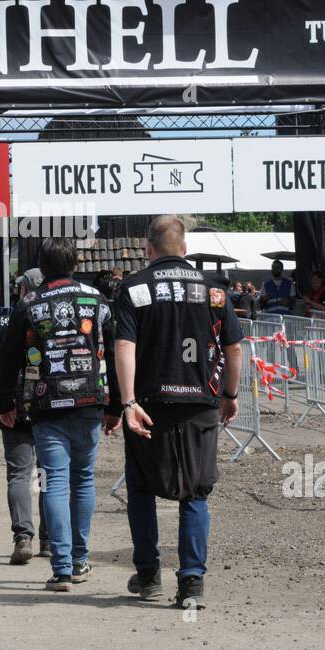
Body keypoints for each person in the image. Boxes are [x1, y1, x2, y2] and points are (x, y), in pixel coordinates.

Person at [112, 215, 242, 610]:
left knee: (140, 487)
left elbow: (123, 347)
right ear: (185, 250)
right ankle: (191, 583)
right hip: (200, 404)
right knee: (196, 492)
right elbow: (234, 348)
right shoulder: (215, 291)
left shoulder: (133, 289)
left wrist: (128, 402)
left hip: (150, 405)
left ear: (148, 249)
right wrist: (230, 394)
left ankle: (149, 574)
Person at [0, 241, 119, 591]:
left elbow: (7, 358)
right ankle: (80, 561)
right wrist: (117, 404)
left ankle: (61, 569)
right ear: (75, 263)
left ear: (41, 266)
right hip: (90, 401)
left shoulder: (29, 304)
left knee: (55, 480)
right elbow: (112, 350)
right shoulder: (97, 300)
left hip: (47, 404)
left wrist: (4, 402)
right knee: (84, 481)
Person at [0, 268, 49, 565]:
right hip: (52, 403)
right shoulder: (60, 310)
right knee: (48, 474)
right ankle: (50, 539)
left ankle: (23, 538)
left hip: (15, 405)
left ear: (25, 289)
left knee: (19, 472)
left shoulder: (7, 318)